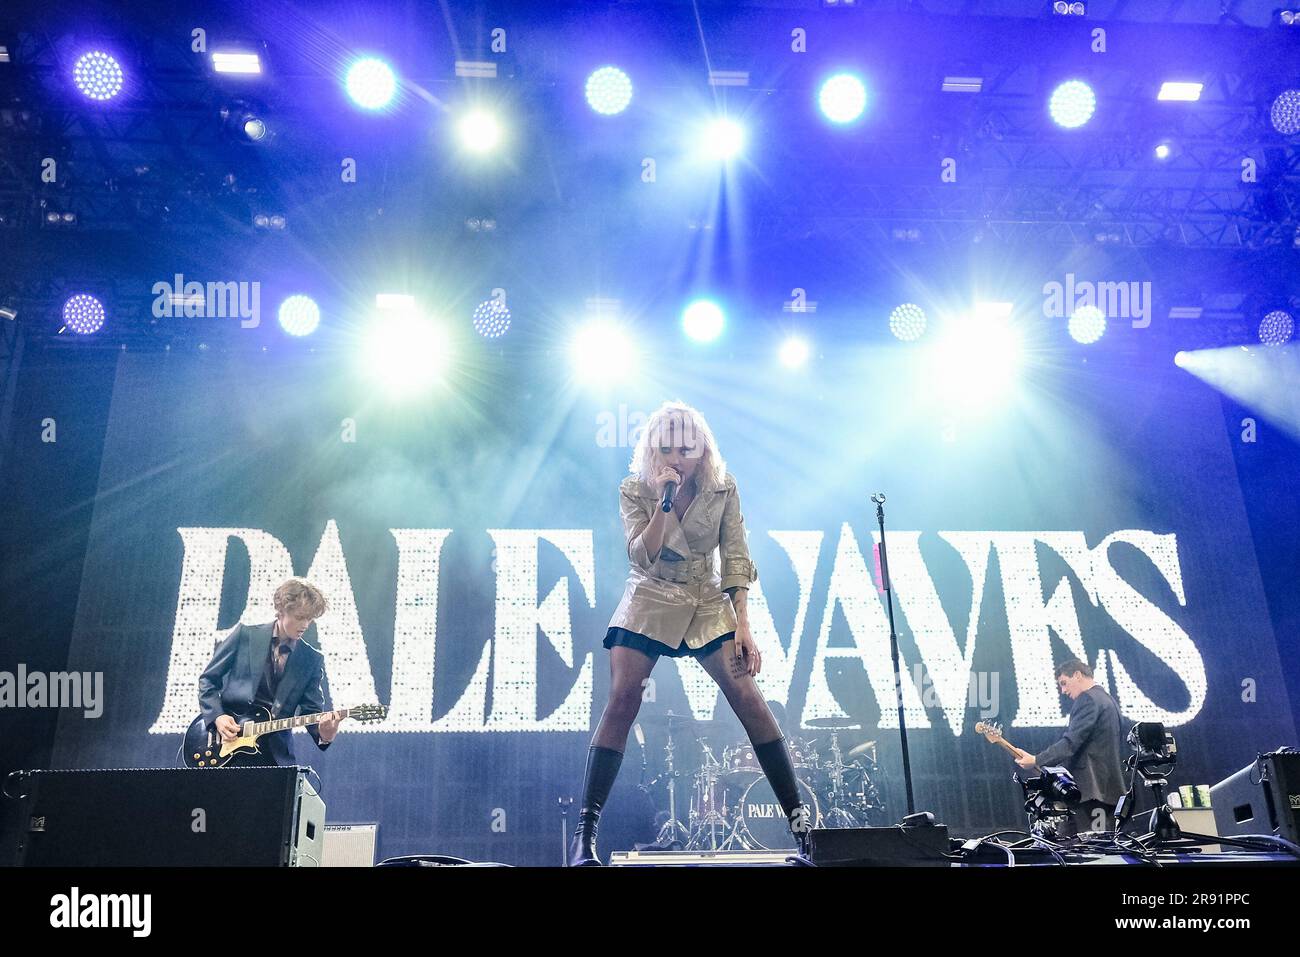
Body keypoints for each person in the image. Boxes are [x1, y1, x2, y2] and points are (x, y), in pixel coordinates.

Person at [569, 400, 811, 865]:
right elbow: (642, 555)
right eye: (666, 448)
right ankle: (585, 835)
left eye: (686, 448)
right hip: (650, 594)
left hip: (704, 598)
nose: (676, 457)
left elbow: (735, 556)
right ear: (652, 450)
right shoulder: (635, 488)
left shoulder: (723, 487)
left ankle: (803, 831)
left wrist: (743, 623)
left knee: (750, 700)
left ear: (702, 450)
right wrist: (663, 499)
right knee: (623, 699)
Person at [197, 577, 342, 766]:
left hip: (274, 757)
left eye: (310, 619)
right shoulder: (245, 635)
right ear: (281, 611)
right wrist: (217, 716)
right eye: (299, 617)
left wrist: (326, 733)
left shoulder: (311, 659)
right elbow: (208, 679)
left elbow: (312, 711)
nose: (305, 625)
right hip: (228, 744)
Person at [1015, 658, 1125, 836]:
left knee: (1093, 853)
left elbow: (1071, 743)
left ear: (1078, 675)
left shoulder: (1088, 699)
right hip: (1103, 792)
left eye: (1064, 683)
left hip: (1091, 792)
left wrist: (1037, 760)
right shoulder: (1107, 700)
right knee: (1068, 845)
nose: (1063, 691)